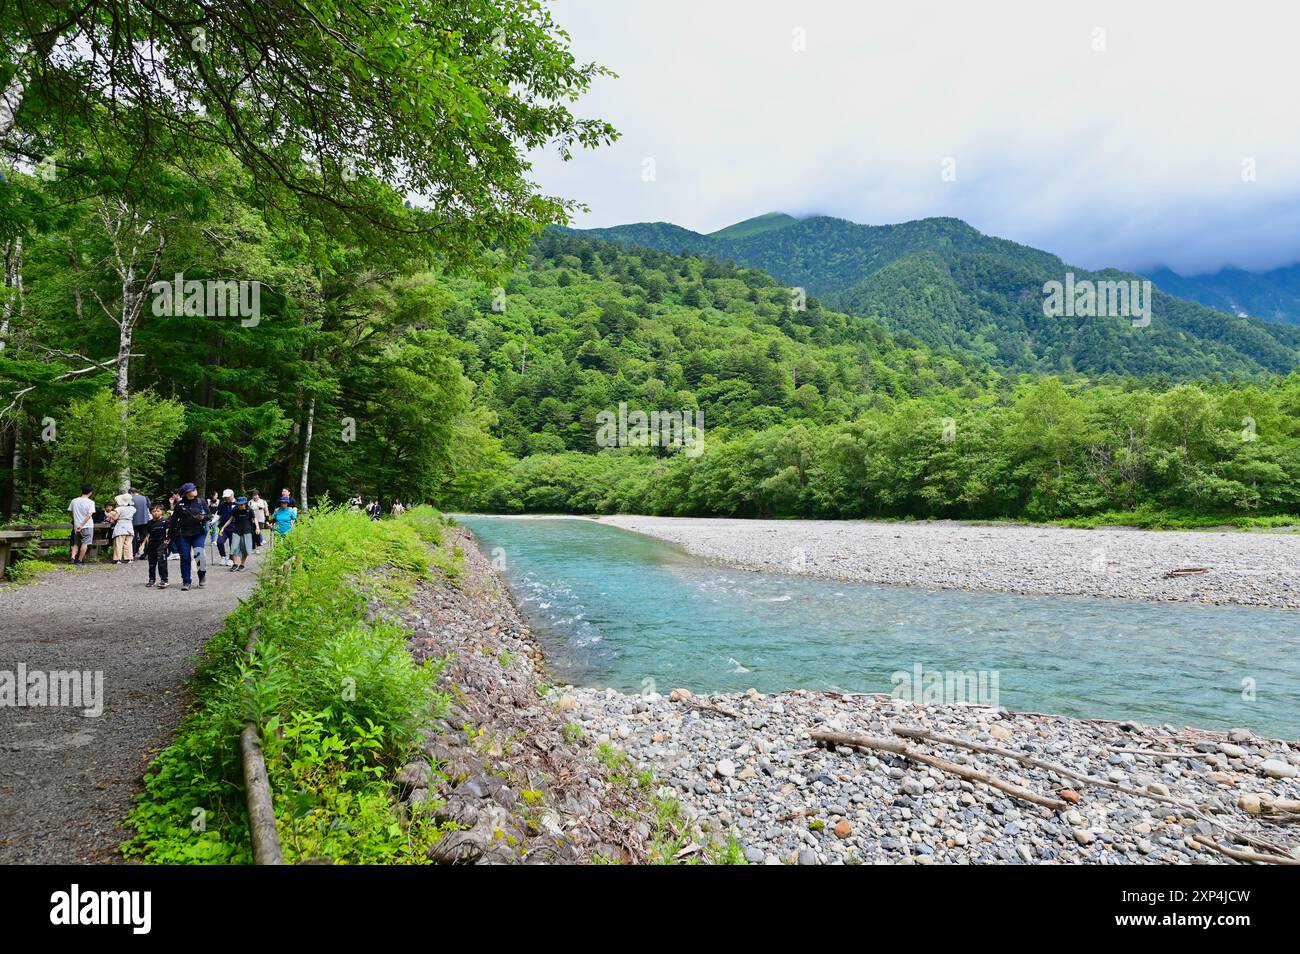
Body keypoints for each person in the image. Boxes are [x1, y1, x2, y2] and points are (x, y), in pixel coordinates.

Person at [170, 482, 209, 591]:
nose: (195, 490)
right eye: (193, 489)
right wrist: (170, 536)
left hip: (198, 533)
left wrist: (204, 517)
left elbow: (209, 515)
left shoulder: (201, 502)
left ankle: (202, 574)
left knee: (199, 554)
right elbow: (173, 521)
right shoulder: (179, 505)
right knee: (185, 557)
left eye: (195, 489)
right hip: (184, 534)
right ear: (187, 493)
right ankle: (186, 581)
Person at [222, 496, 257, 571]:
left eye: (242, 504)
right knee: (233, 548)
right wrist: (223, 528)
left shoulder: (250, 510)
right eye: (238, 504)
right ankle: (235, 564)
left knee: (245, 549)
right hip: (236, 531)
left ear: (245, 504)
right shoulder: (235, 510)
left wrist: (257, 527)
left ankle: (242, 564)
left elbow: (254, 519)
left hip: (247, 532)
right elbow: (230, 520)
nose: (240, 506)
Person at [143, 503, 171, 588]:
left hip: (161, 545)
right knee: (151, 563)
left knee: (162, 562)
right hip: (151, 545)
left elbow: (168, 532)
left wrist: (167, 540)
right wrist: (144, 546)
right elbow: (147, 535)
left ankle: (164, 580)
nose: (156, 513)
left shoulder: (165, 522)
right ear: (151, 512)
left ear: (162, 512)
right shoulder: (149, 523)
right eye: (153, 511)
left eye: (158, 511)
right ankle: (152, 579)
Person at [68, 484, 96, 566]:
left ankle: (72, 558)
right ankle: (79, 560)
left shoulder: (74, 500)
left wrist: (76, 521)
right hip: (87, 526)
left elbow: (70, 512)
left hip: (76, 526)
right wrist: (82, 524)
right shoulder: (91, 502)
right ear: (90, 493)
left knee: (76, 543)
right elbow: (89, 515)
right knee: (85, 543)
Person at [111, 492, 137, 564]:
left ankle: (117, 559)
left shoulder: (119, 509)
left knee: (119, 543)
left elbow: (115, 518)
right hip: (129, 526)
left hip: (121, 526)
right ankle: (129, 558)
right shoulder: (133, 508)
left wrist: (110, 515)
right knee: (128, 543)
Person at [214, 489, 236, 566]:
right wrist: (212, 522)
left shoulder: (237, 504)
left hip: (234, 527)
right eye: (225, 497)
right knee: (219, 542)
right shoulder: (222, 504)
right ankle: (223, 557)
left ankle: (231, 559)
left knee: (232, 544)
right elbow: (218, 515)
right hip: (223, 527)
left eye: (227, 497)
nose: (226, 498)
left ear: (232, 495)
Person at [130, 486, 150, 559]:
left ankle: (133, 553)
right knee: (144, 538)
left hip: (134, 521)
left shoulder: (131, 499)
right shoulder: (145, 498)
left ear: (131, 493)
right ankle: (145, 553)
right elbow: (149, 506)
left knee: (134, 538)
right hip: (145, 520)